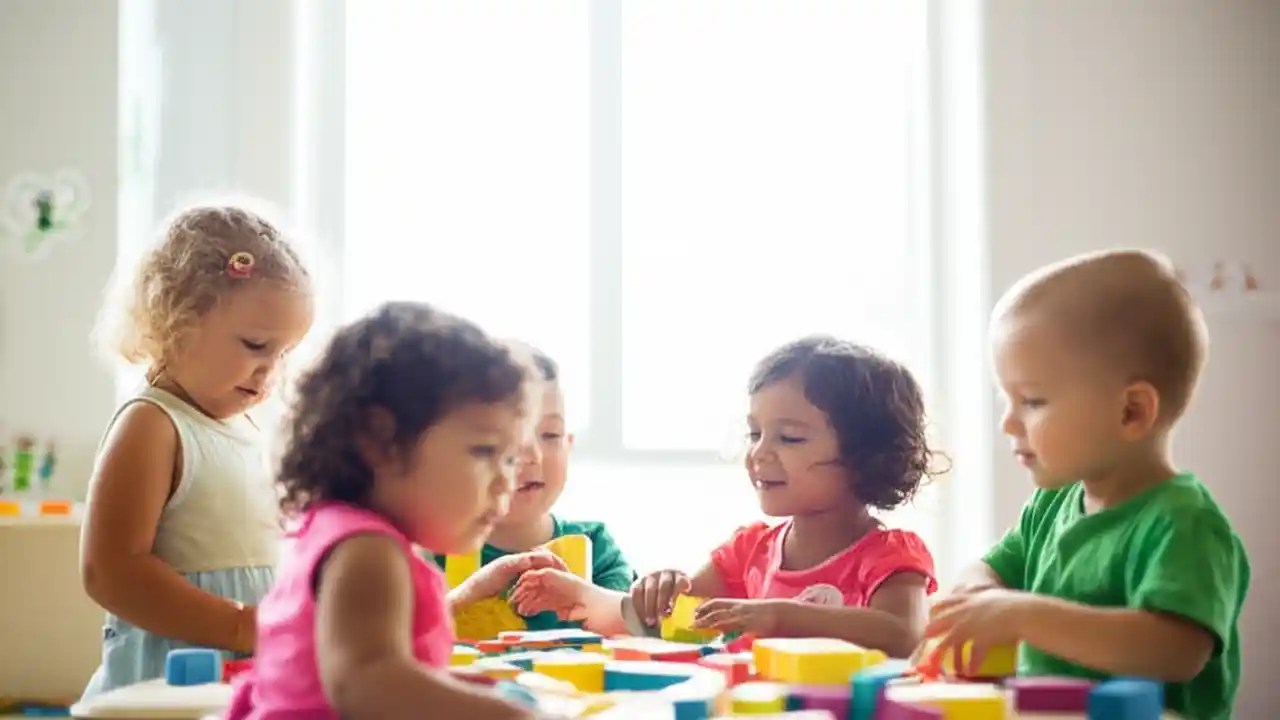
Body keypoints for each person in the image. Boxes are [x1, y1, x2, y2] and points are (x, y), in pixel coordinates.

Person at [926, 249, 1250, 720]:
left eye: (1032, 401)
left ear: (1131, 412)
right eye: (1007, 399)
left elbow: (1175, 651)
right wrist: (977, 596)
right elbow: (992, 569)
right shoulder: (1053, 503)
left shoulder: (1184, 522)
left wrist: (1021, 615)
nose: (1008, 425)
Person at [512, 336, 940, 658]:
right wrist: (596, 594)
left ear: (866, 454)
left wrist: (779, 616)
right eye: (755, 434)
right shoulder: (746, 552)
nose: (758, 452)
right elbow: (668, 620)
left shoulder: (889, 557)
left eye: (789, 437)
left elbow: (902, 634)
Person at [228, 302, 557, 719]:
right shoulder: (368, 551)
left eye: (510, 459)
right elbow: (366, 685)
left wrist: (454, 688)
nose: (504, 481)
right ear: (379, 439)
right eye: (485, 452)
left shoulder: (337, 531)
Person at [80, 204, 314, 697]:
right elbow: (112, 571)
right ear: (178, 321)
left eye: (283, 353)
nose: (270, 371)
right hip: (169, 678)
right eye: (255, 345)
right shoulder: (152, 424)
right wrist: (238, 625)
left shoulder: (247, 431)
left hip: (244, 672)